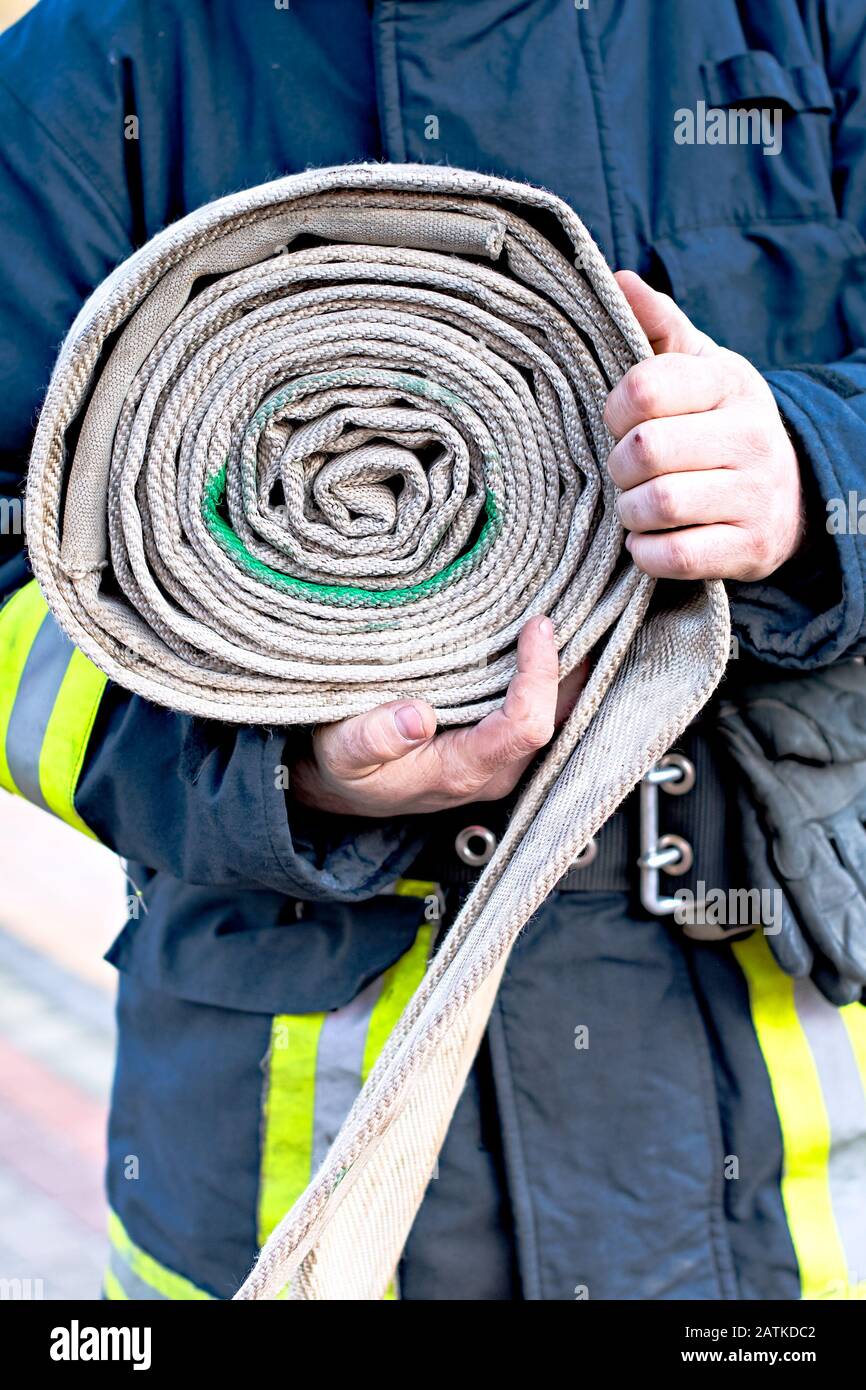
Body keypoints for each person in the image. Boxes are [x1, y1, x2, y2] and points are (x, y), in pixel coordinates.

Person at [1, 0, 865, 1301]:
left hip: (788, 1218)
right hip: (285, 1194)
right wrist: (279, 775)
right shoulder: (96, 61)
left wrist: (810, 473)